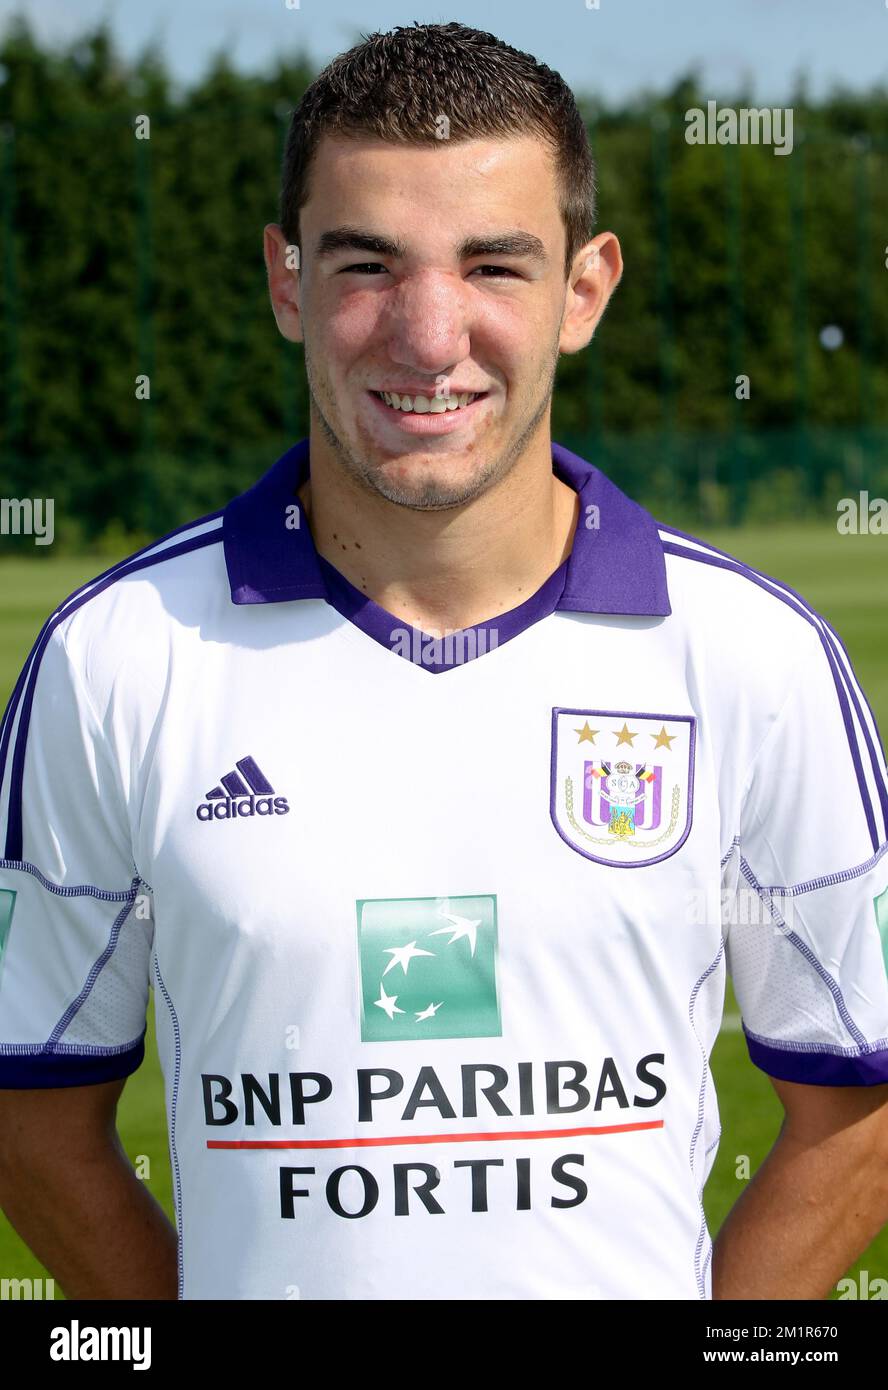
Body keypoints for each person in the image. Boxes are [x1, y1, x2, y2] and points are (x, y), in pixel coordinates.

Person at [0, 20, 886, 1302]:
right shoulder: (114, 659)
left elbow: (857, 1101)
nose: (427, 336)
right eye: (367, 263)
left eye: (493, 266)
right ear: (285, 280)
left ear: (584, 291)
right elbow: (29, 1111)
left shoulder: (756, 657)